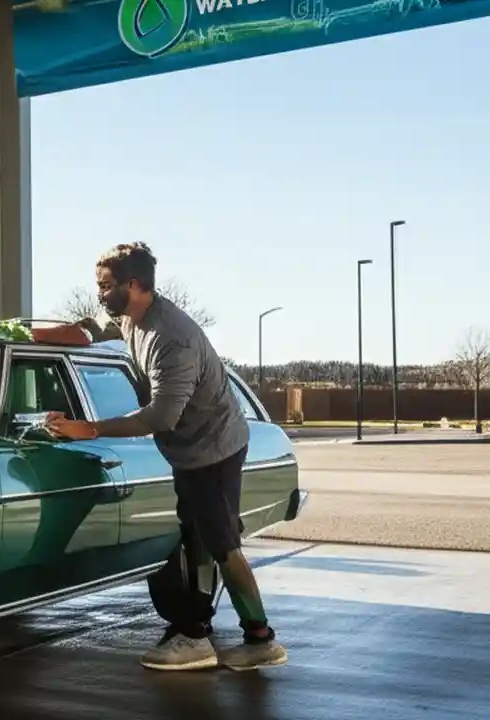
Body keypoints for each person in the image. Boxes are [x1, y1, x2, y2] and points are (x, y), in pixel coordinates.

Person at [33, 242, 287, 672]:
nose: (99, 293)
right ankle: (196, 630)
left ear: (134, 285)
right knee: (196, 539)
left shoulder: (172, 337)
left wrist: (88, 428)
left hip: (213, 449)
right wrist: (34, 335)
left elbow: (162, 416)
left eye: (106, 286)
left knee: (221, 544)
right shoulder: (131, 317)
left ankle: (257, 639)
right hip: (190, 451)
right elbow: (90, 329)